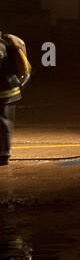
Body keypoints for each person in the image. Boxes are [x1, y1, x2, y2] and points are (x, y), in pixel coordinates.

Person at [0, 30, 33, 167]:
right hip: (9, 87)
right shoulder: (4, 41)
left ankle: (3, 155)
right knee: (4, 121)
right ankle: (4, 153)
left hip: (3, 89)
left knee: (2, 122)